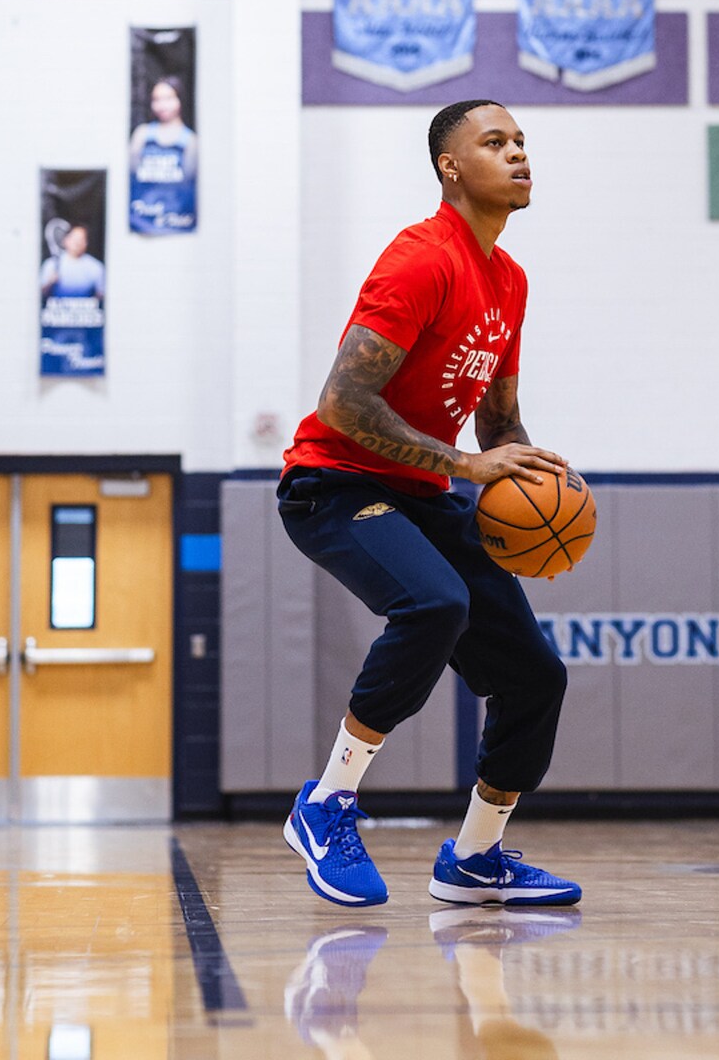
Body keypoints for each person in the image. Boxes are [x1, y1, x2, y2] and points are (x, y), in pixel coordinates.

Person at [278, 99, 579, 910]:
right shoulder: (421, 259)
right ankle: (327, 804)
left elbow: (500, 424)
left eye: (522, 141)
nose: (518, 153)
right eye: (495, 142)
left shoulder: (509, 281)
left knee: (535, 674)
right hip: (332, 483)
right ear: (451, 166)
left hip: (421, 490)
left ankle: (475, 859)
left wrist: (532, 493)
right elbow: (343, 402)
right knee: (434, 604)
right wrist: (469, 465)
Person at [129, 75, 197, 230]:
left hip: (177, 222)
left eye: (168, 98)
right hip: (140, 221)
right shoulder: (142, 134)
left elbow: (188, 183)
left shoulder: (190, 141)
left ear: (179, 99)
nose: (162, 105)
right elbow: (131, 173)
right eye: (156, 99)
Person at [39, 224, 105, 300]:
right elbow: (38, 295)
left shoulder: (96, 267)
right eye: (74, 238)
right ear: (65, 241)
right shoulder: (51, 264)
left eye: (81, 239)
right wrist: (49, 283)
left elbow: (102, 297)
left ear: (86, 243)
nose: (77, 243)